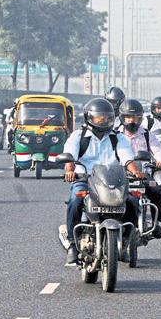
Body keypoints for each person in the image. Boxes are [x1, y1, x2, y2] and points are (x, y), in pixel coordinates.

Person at [62, 98, 142, 266]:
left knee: (133, 202)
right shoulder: (78, 136)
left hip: (113, 181)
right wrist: (70, 170)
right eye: (100, 117)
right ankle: (72, 244)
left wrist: (135, 171)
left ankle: (125, 240)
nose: (104, 120)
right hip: (85, 179)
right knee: (75, 201)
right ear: (89, 117)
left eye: (107, 117)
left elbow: (127, 157)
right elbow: (70, 155)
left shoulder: (117, 137)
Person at [120, 99, 161, 236]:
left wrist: (160, 161)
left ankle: (155, 223)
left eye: (135, 117)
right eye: (128, 117)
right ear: (122, 118)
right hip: (120, 174)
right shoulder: (115, 134)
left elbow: (158, 149)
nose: (132, 120)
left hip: (142, 174)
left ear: (140, 118)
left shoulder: (146, 134)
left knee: (157, 191)